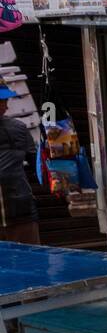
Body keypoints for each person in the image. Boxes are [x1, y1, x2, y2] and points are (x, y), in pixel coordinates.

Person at [0, 80, 38, 244]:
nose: (6, 107)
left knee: (31, 263)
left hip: (21, 214)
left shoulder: (19, 129)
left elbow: (36, 163)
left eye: (5, 102)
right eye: (1, 102)